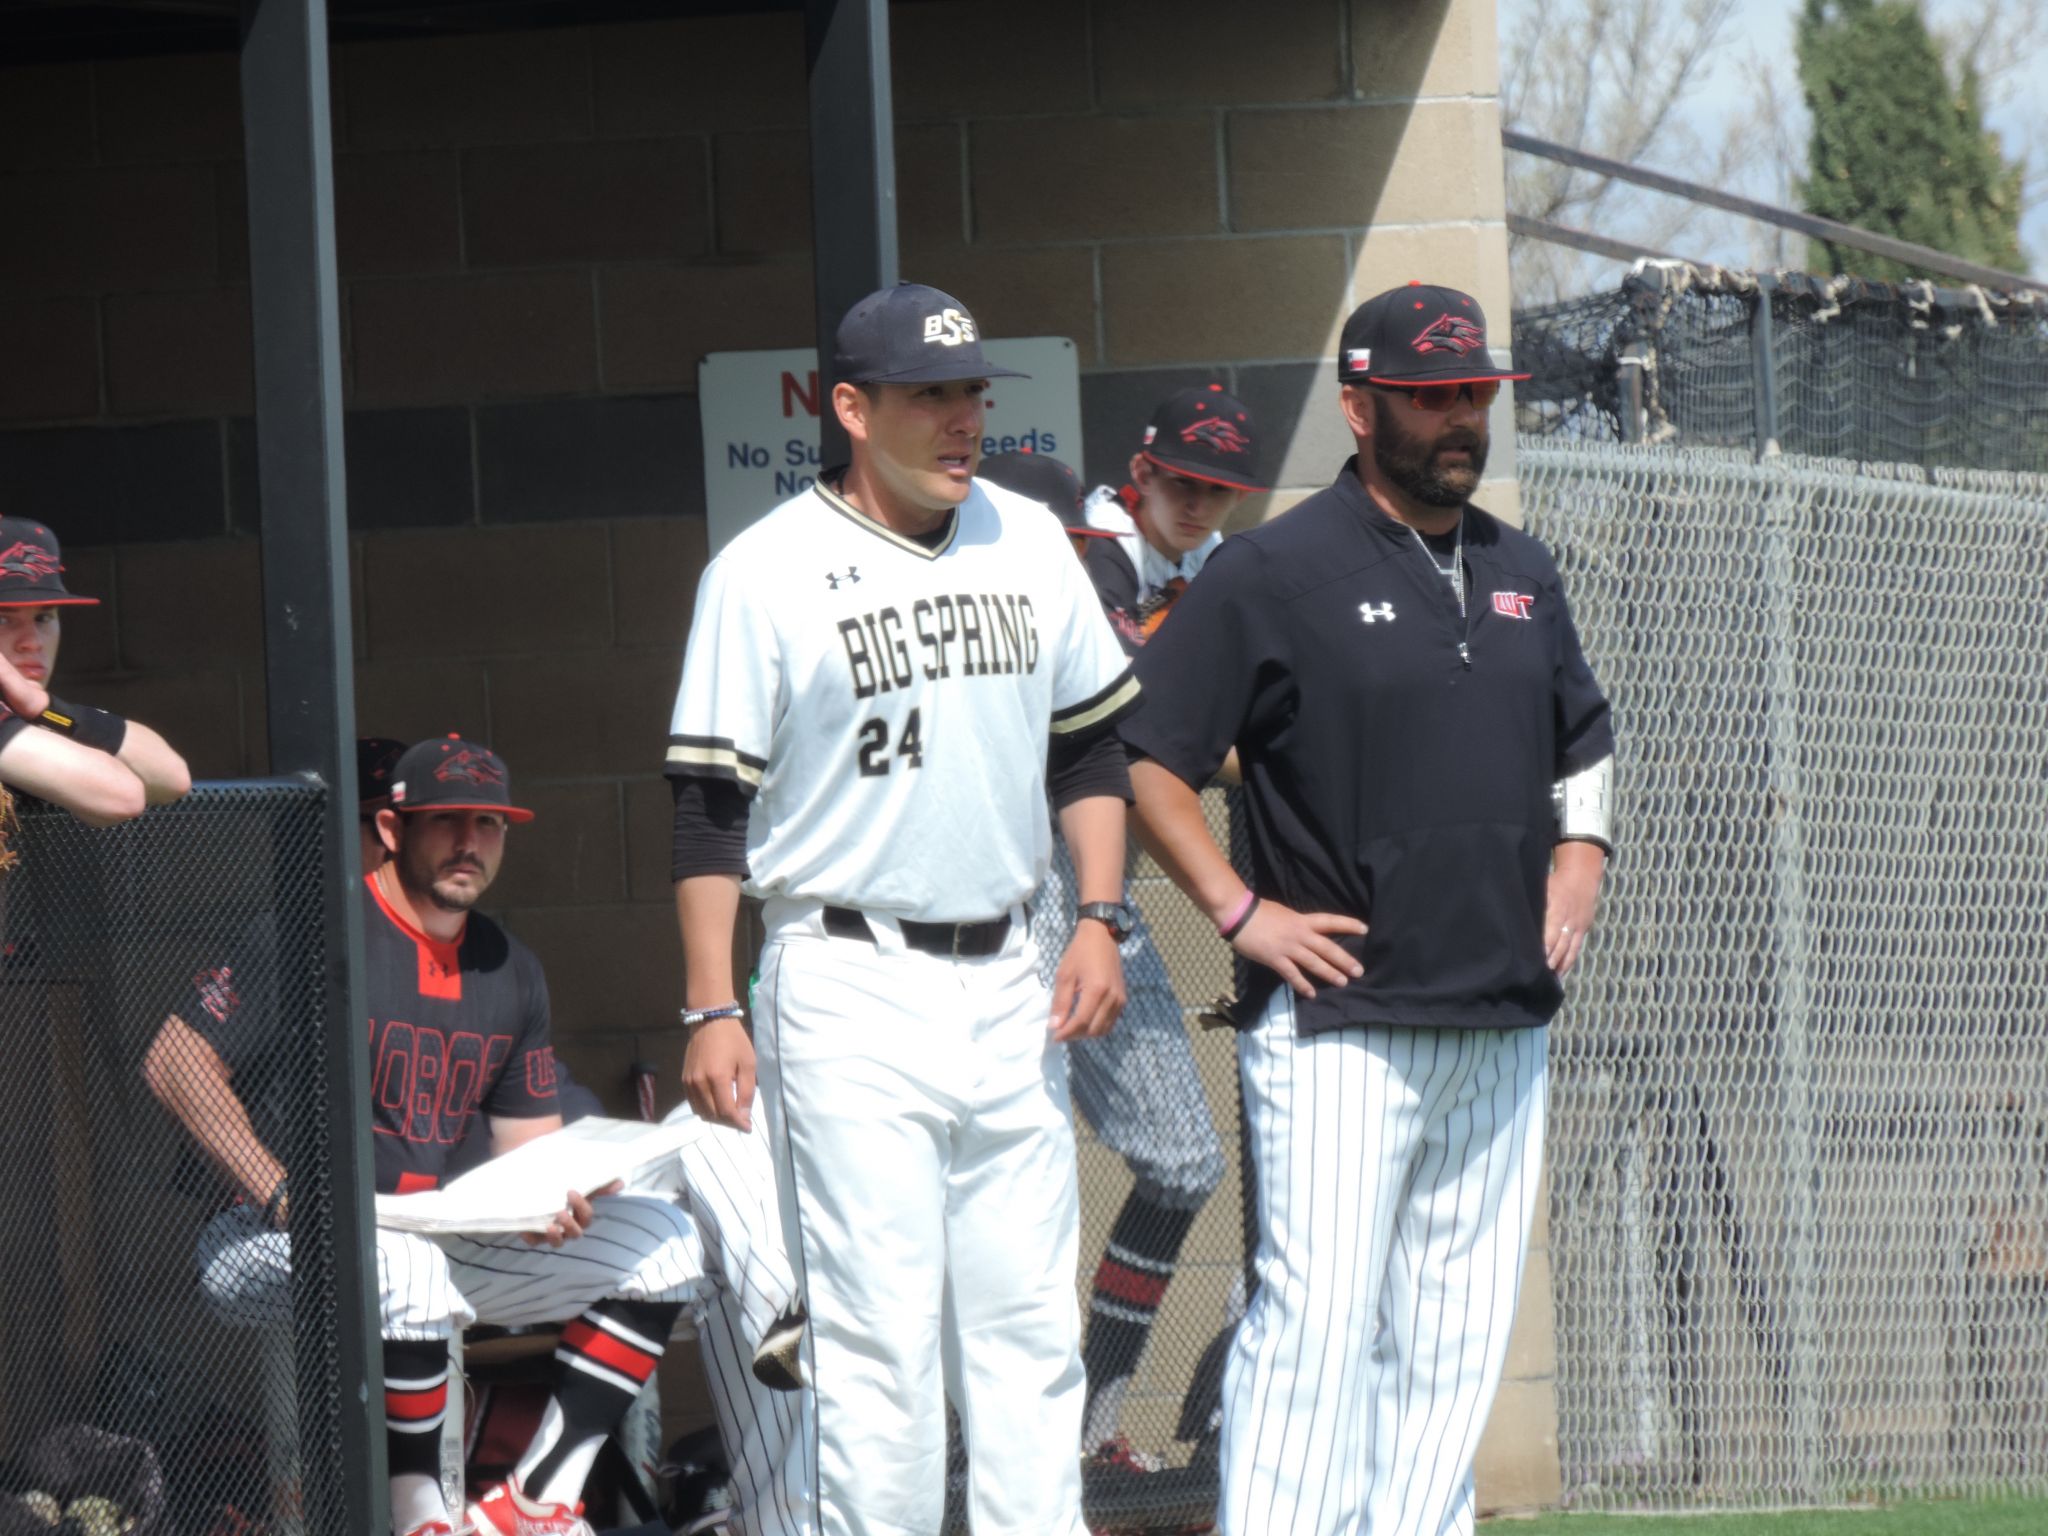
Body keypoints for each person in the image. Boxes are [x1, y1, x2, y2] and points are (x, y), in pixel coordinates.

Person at [1120, 282, 1616, 1536]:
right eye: (1428, 397)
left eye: (1472, 396)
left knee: (1452, 1349)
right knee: (1316, 1328)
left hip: (1502, 1013)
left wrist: (1581, 858)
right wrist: (1238, 915)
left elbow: (1583, 737)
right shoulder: (1271, 569)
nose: (1458, 419)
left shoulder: (1520, 565)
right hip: (1341, 1021)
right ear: (1357, 405)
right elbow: (1144, 757)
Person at [666, 283, 1139, 1536]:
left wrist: (1100, 914)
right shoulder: (761, 573)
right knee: (877, 1349)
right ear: (851, 407)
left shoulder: (1027, 540)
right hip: (845, 972)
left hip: (1009, 970)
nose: (960, 417)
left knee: (1031, 1334)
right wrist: (711, 1002)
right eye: (929, 394)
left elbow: (1090, 752)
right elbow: (709, 809)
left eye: (971, 391)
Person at [145, 736, 710, 1536]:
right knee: (407, 1268)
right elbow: (174, 1062)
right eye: (447, 822)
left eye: (490, 824)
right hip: (267, 1236)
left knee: (665, 1240)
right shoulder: (313, 933)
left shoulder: (510, 968)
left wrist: (559, 1197)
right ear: (391, 830)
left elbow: (530, 1147)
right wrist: (277, 1190)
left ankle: (535, 1500)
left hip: (431, 1239)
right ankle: (420, 1518)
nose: (470, 843)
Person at [983, 421, 1264, 1465]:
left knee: (1184, 1162)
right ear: (1138, 475)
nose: (1197, 504)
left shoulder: (1203, 571)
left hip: (1093, 894)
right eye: (1181, 482)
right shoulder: (1093, 555)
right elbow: (1152, 720)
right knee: (1005, 1192)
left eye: (1219, 489)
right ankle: (999, 1445)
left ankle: (1091, 1427)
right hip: (992, 896)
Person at [0, 516, 189, 830]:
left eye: (44, 618)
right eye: (4, 619)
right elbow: (121, 797)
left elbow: (172, 777)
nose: (31, 642)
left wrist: (46, 708)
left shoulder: (24, 710)